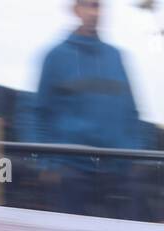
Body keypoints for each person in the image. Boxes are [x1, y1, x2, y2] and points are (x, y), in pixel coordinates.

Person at [32, 0, 151, 219]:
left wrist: (136, 156)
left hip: (117, 171)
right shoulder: (55, 57)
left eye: (97, 6)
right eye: (87, 5)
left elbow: (132, 112)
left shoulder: (116, 57)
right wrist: (47, 164)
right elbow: (39, 112)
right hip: (72, 171)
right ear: (76, 10)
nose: (94, 12)